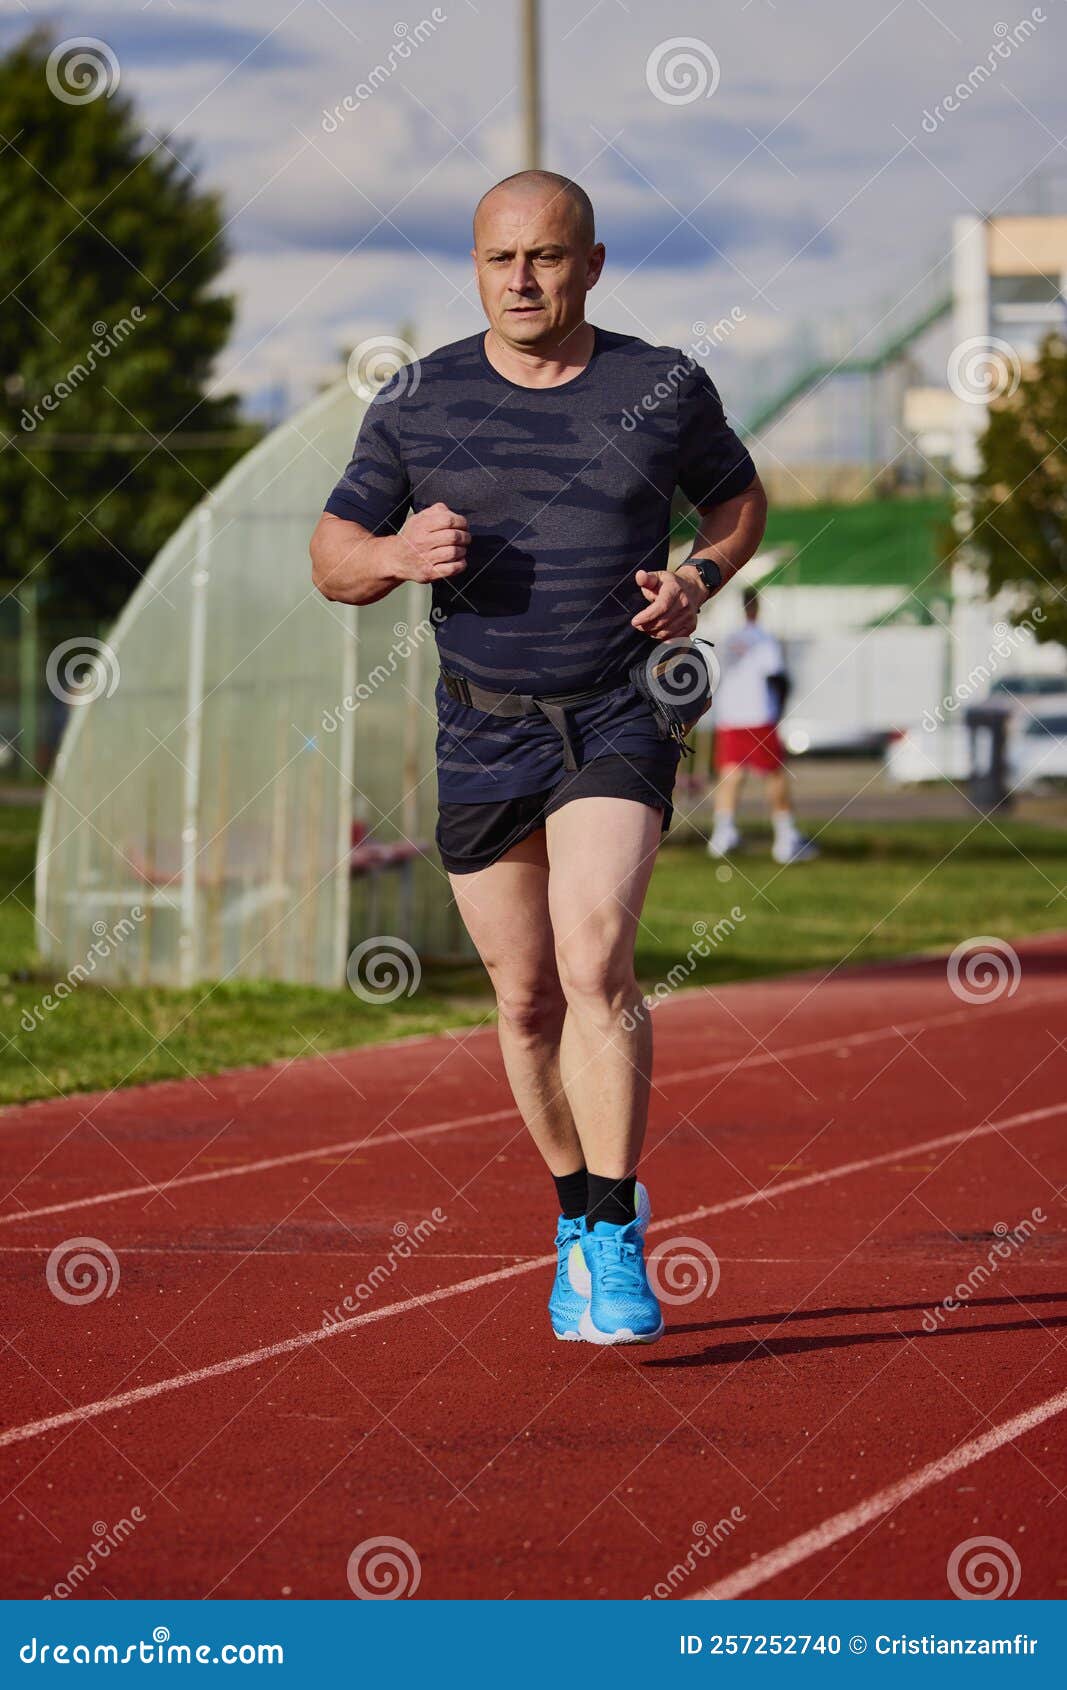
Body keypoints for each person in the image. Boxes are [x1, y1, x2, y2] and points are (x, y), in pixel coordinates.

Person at [310, 170, 766, 1344]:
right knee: (522, 1002)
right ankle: (573, 1210)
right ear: (474, 269)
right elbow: (331, 558)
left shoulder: (659, 384)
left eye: (546, 258)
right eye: (498, 260)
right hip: (481, 723)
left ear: (592, 265)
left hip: (620, 704)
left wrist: (696, 581)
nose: (521, 279)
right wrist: (398, 552)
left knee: (596, 956)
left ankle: (614, 1236)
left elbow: (736, 503)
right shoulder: (418, 399)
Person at [707, 585, 817, 864]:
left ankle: (723, 833)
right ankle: (786, 837)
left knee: (731, 773)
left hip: (730, 715)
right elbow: (776, 677)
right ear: (756, 607)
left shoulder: (724, 639)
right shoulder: (763, 639)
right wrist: (779, 709)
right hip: (758, 714)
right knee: (775, 775)